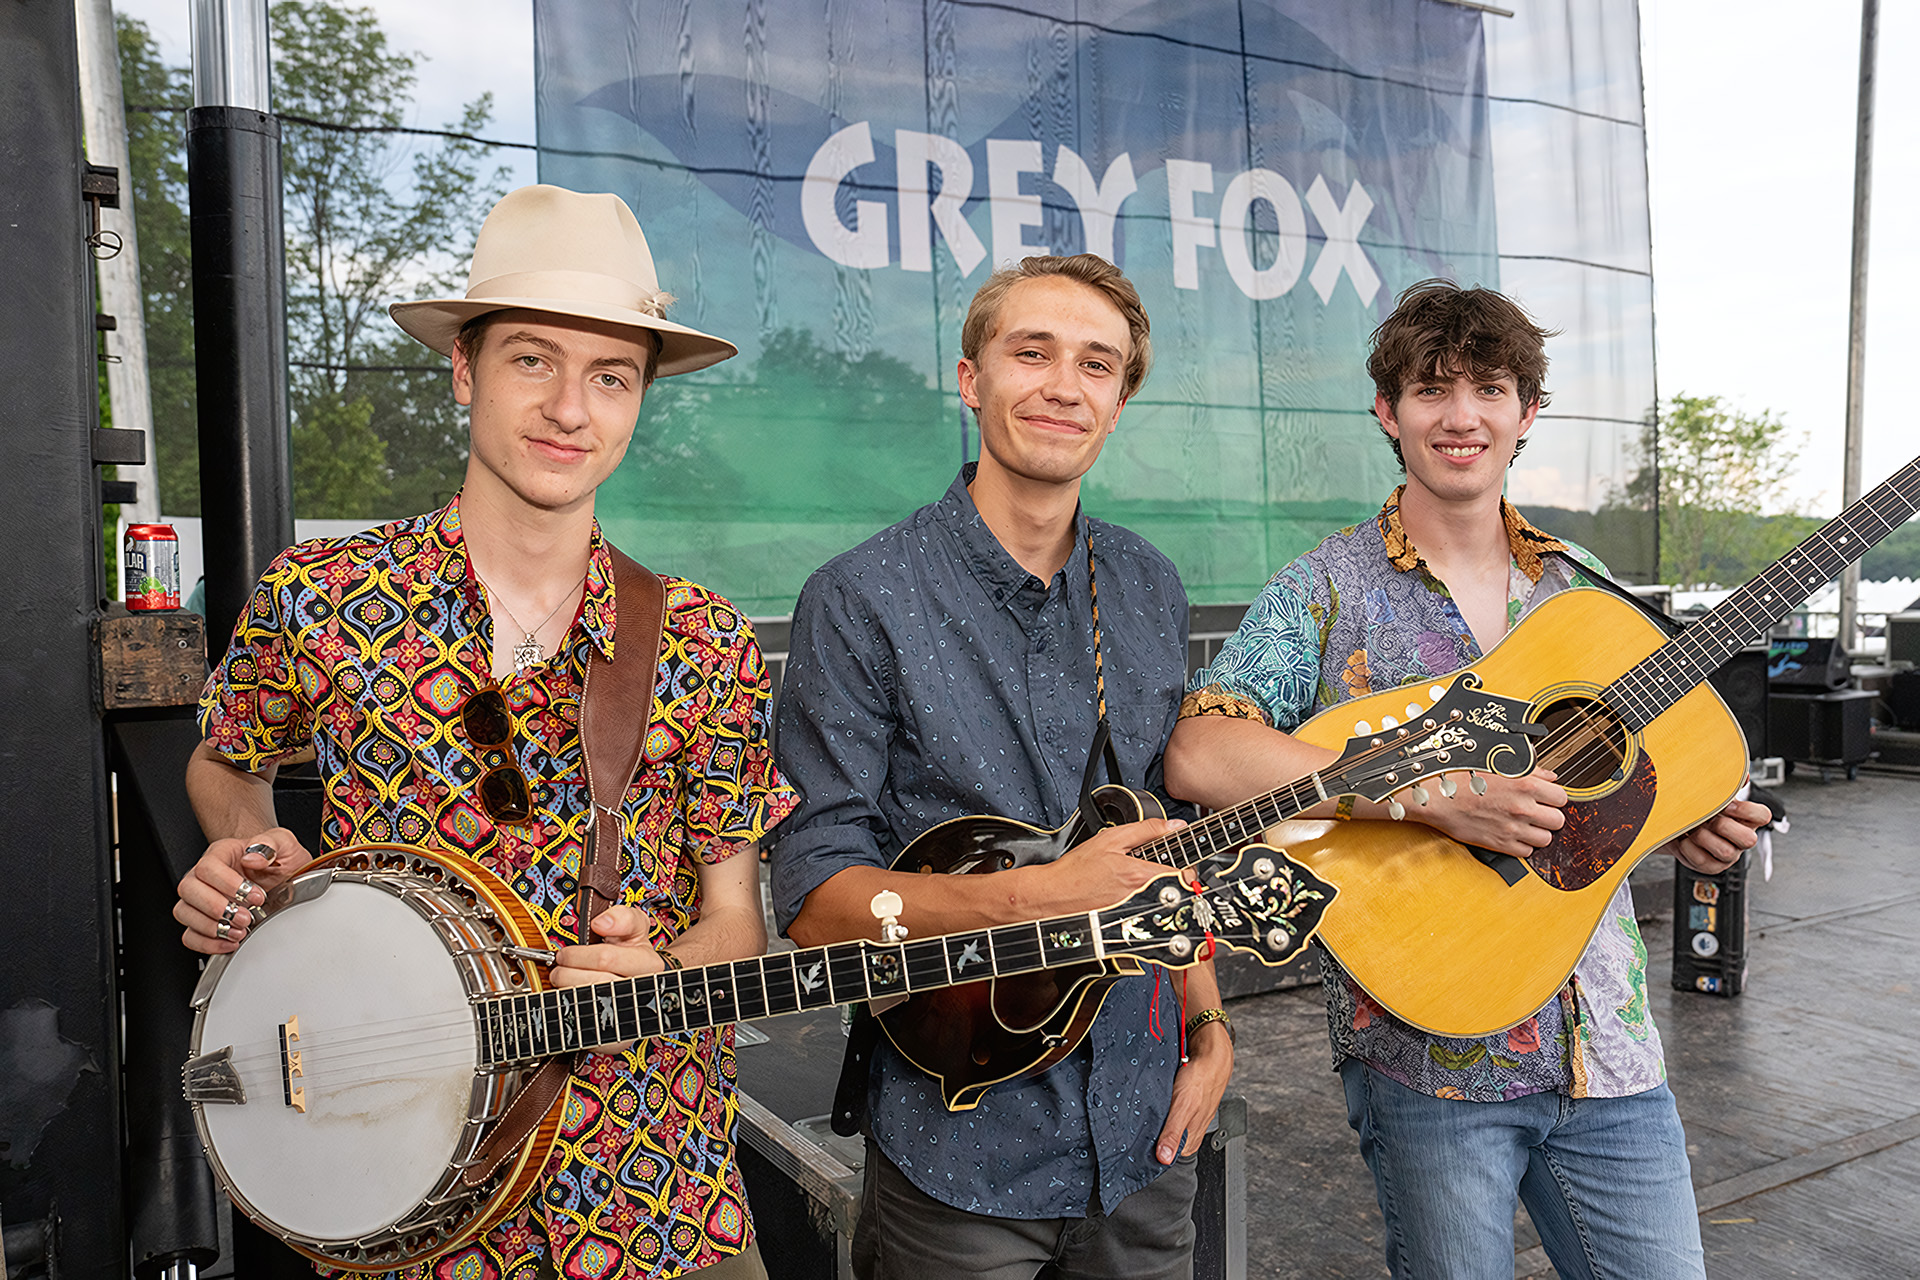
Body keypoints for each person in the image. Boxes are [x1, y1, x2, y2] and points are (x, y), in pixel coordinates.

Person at [173, 185, 797, 1280]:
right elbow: (228, 759)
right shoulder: (322, 593)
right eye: (531, 360)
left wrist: (659, 968)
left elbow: (736, 922)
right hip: (400, 1191)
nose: (569, 408)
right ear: (464, 370)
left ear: (640, 401)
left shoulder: (705, 638)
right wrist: (252, 856)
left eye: (611, 376)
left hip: (656, 1190)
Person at [1163, 278, 1769, 1279]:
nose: (1461, 416)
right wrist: (1425, 793)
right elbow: (1200, 749)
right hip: (1429, 1054)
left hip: (1608, 1046)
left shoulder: (1583, 584)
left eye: (1489, 389)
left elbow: (1621, 781)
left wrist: (1682, 822)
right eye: (1431, 388)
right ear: (1387, 411)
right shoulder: (1327, 588)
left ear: (1526, 413)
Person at [769, 254, 1233, 1280]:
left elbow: (1165, 839)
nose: (1064, 385)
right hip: (957, 1150)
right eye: (1033, 352)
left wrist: (1207, 1024)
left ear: (1119, 402)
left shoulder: (1149, 587)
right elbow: (812, 899)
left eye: (1097, 364)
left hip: (1146, 1137)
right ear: (971, 379)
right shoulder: (861, 598)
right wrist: (1042, 894)